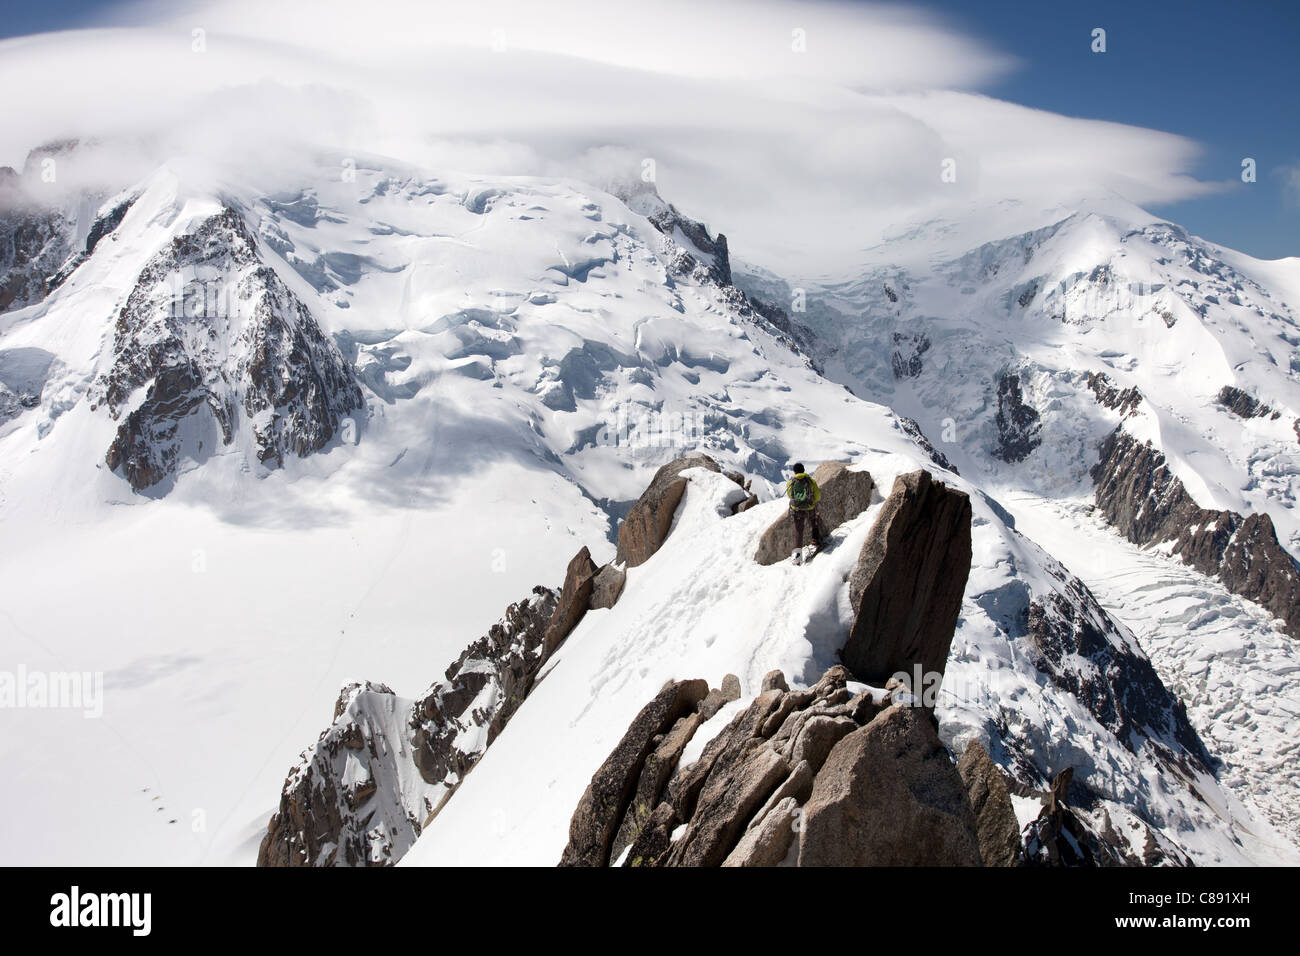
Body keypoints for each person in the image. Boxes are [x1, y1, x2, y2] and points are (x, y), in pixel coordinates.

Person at [785, 462, 823, 564]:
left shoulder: (791, 483)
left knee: (798, 532)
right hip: (810, 508)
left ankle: (797, 558)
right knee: (814, 522)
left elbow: (790, 495)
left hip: (796, 510)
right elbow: (818, 495)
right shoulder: (810, 481)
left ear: (794, 471)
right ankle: (816, 541)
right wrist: (812, 502)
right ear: (804, 470)